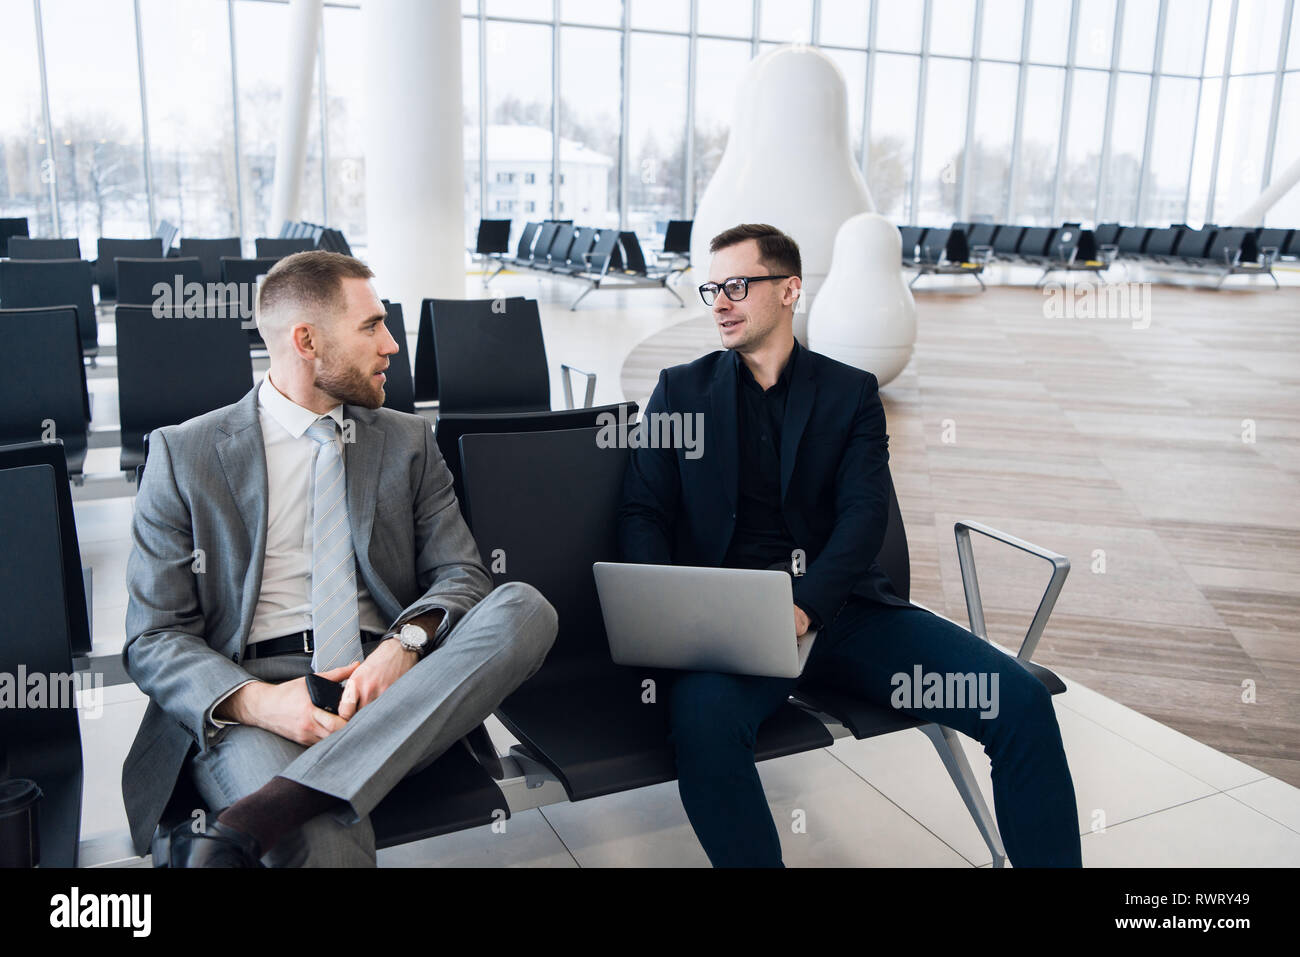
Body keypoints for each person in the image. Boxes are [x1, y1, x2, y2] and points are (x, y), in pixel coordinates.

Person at [617, 223, 1082, 867]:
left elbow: (864, 518)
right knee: (704, 726)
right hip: (728, 623)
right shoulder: (680, 391)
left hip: (843, 613)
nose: (719, 302)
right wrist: (665, 608)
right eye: (710, 289)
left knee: (1020, 702)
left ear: (789, 291)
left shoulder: (849, 392)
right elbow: (644, 509)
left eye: (735, 286)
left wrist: (806, 606)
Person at [121, 251, 557, 867]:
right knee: (323, 839)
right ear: (306, 340)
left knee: (524, 608)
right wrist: (265, 702)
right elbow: (155, 637)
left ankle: (263, 812)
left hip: (394, 682)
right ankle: (306, 795)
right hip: (256, 695)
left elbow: (461, 575)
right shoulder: (184, 454)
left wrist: (402, 647)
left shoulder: (405, 441)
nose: (393, 345)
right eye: (372, 326)